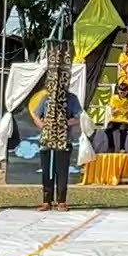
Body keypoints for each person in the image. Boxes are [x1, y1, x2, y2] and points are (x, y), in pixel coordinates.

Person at [30, 81, 82, 212]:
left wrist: (66, 122)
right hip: (47, 140)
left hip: (63, 140)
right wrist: (42, 125)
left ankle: (61, 201)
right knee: (47, 171)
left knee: (62, 171)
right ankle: (47, 200)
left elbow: (79, 117)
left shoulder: (71, 98)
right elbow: (36, 115)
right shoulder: (46, 98)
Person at [104, 83, 128, 154]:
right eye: (121, 91)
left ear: (127, 91)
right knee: (108, 130)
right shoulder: (114, 98)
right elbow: (113, 112)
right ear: (118, 90)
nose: (122, 93)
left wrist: (119, 108)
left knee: (123, 129)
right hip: (114, 119)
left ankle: (122, 148)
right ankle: (111, 147)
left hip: (125, 120)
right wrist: (121, 109)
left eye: (124, 91)